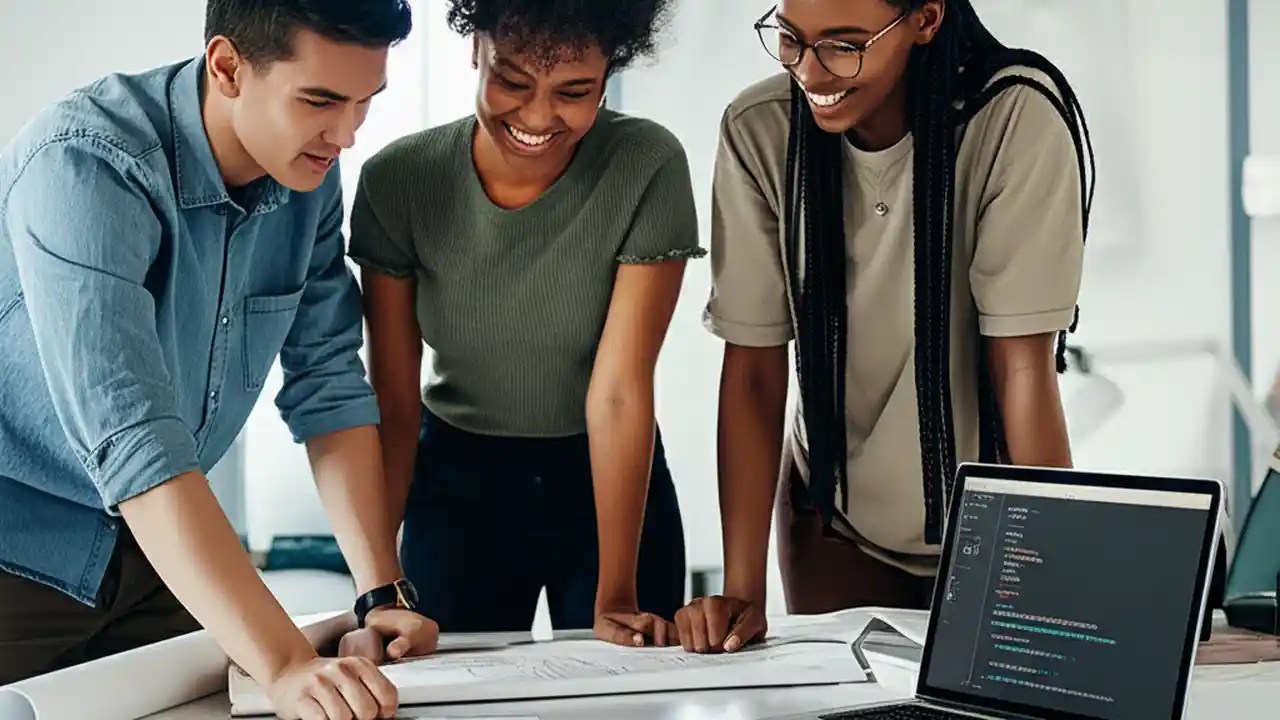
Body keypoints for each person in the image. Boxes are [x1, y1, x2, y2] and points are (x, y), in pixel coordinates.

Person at [0, 1, 440, 717]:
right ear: (228, 67)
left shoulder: (308, 176)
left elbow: (328, 382)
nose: (348, 134)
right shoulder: (84, 163)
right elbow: (134, 440)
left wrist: (378, 594)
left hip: (161, 562)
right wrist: (288, 662)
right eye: (321, 101)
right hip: (18, 554)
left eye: (365, 102)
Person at [676, 0, 1094, 653]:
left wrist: (1062, 575)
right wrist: (743, 594)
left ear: (925, 20)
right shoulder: (760, 131)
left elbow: (1022, 370)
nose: (810, 70)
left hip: (995, 527)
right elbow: (755, 372)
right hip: (834, 528)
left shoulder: (1013, 121)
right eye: (790, 38)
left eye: (843, 44)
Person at [350, 0, 701, 647]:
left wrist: (617, 595)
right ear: (475, 49)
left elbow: (620, 389)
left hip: (607, 483)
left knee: (625, 698)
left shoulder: (646, 164)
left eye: (575, 92)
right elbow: (393, 402)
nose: (539, 117)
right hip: (456, 486)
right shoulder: (397, 181)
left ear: (609, 72)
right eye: (512, 80)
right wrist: (382, 587)